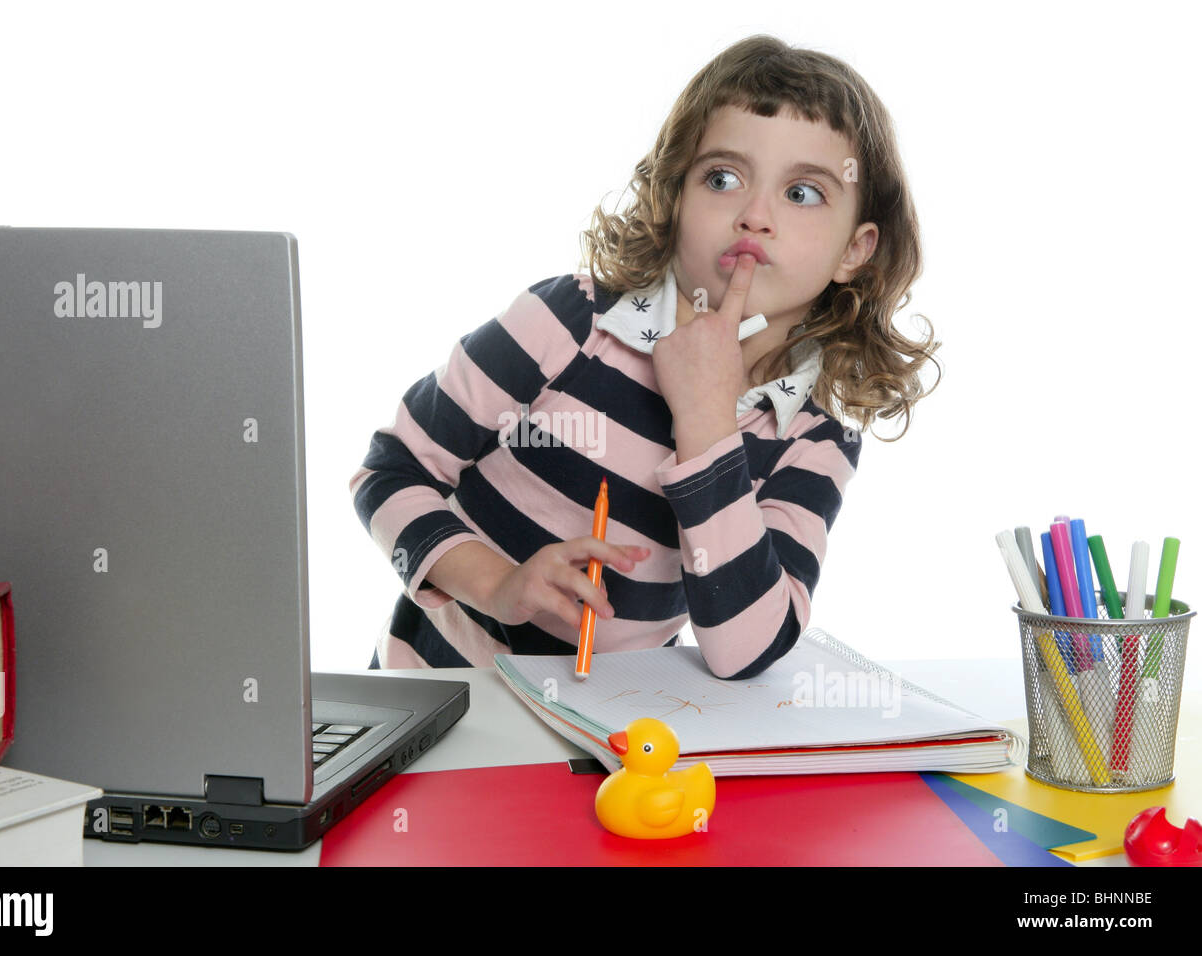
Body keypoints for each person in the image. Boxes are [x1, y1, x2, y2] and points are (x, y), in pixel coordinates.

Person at [349, 34, 939, 679]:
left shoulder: (813, 442)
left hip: (602, 749)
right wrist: (499, 585)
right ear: (676, 197)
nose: (755, 215)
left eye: (803, 193)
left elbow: (746, 651)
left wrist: (707, 422)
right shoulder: (570, 322)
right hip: (435, 703)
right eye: (723, 178)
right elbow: (390, 472)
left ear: (856, 250)